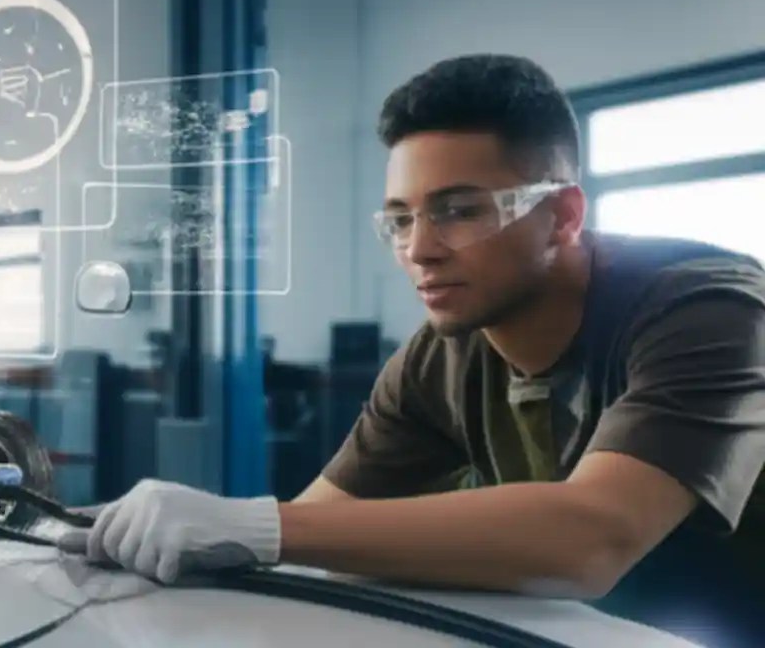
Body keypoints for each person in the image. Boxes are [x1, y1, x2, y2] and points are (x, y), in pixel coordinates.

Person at [58, 54, 765, 647]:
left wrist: (249, 521)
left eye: (458, 211)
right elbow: (320, 539)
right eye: (400, 219)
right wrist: (144, 540)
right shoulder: (439, 357)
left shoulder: (709, 313)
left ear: (563, 215)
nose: (419, 250)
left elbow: (590, 539)